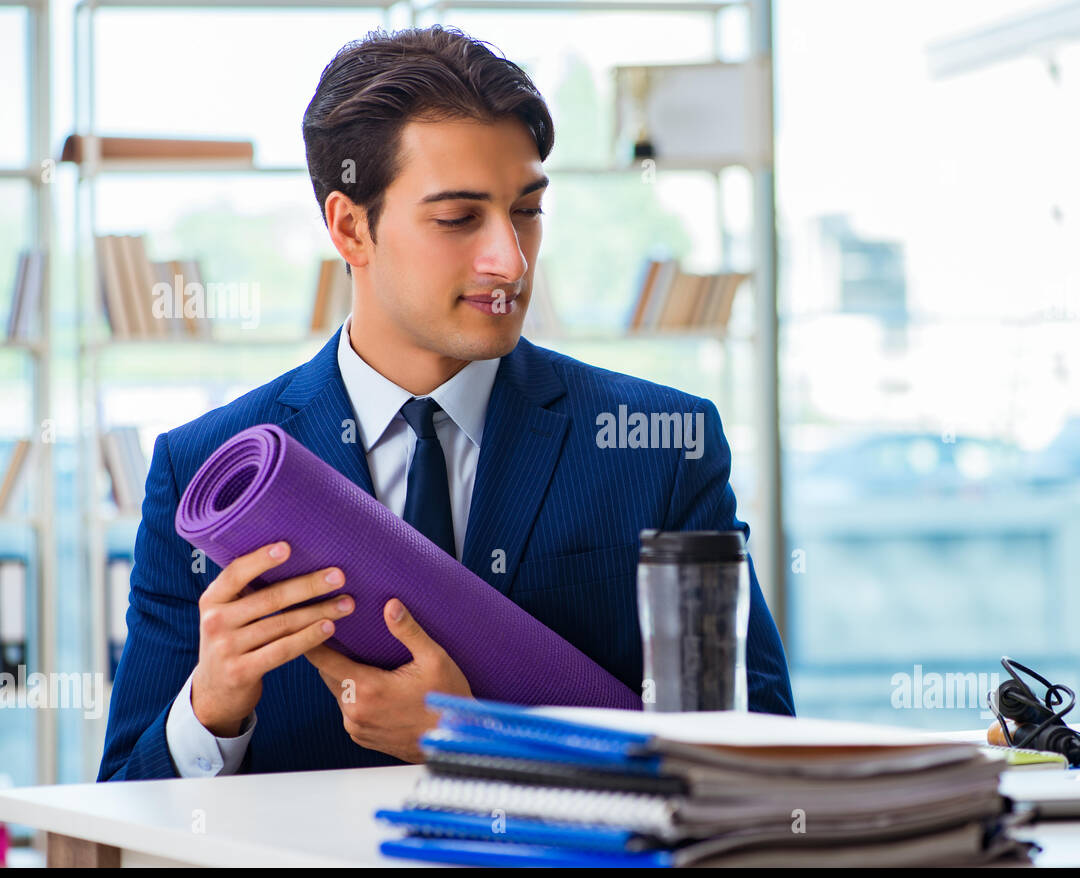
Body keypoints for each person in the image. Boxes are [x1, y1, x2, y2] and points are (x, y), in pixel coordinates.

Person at [98, 25, 794, 782]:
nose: (512, 259)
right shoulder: (206, 472)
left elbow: (762, 756)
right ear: (349, 227)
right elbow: (124, 804)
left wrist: (483, 739)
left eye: (526, 209)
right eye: (459, 219)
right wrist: (210, 711)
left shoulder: (659, 446)